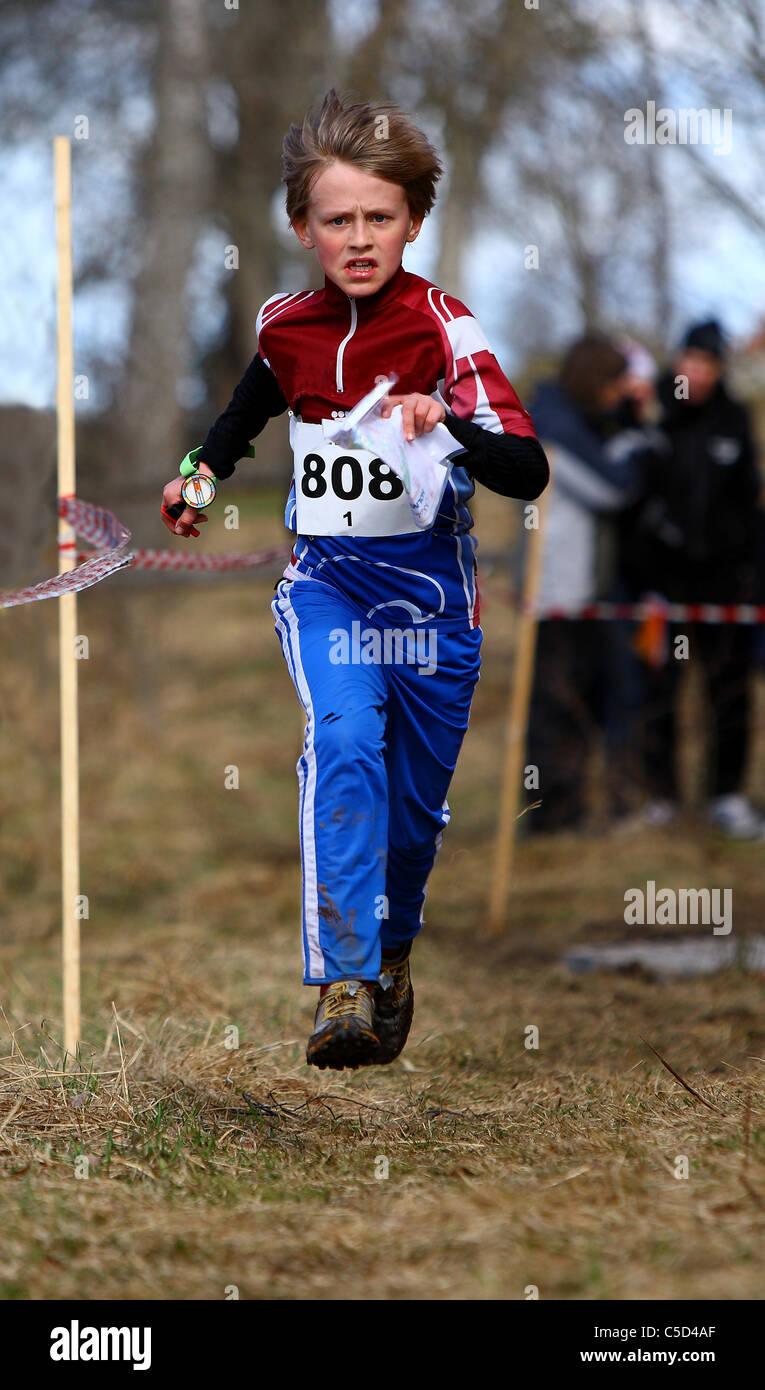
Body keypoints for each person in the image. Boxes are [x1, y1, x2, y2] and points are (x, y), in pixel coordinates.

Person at [161, 89, 548, 1070]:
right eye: (339, 219)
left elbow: (526, 468)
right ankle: (342, 979)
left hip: (430, 609)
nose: (361, 237)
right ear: (305, 228)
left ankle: (394, 950)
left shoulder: (445, 329)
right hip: (327, 586)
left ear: (413, 221)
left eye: (381, 217)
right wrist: (201, 473)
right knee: (342, 743)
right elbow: (251, 404)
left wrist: (447, 425)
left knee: (412, 817)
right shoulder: (286, 323)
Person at [619, 319, 764, 838]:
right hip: (663, 585)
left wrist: (748, 572)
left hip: (724, 587)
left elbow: (748, 502)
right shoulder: (652, 408)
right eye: (690, 361)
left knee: (729, 690)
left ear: (719, 368)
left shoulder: (733, 417)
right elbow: (629, 494)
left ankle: (725, 796)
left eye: (707, 364)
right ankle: (662, 797)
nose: (696, 373)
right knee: (659, 688)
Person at [523, 334, 651, 832]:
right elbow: (613, 488)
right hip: (558, 591)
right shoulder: (556, 431)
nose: (622, 392)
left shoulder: (562, 418)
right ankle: (549, 815)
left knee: (575, 701)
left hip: (574, 589)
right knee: (555, 705)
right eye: (616, 382)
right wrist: (633, 443)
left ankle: (568, 807)